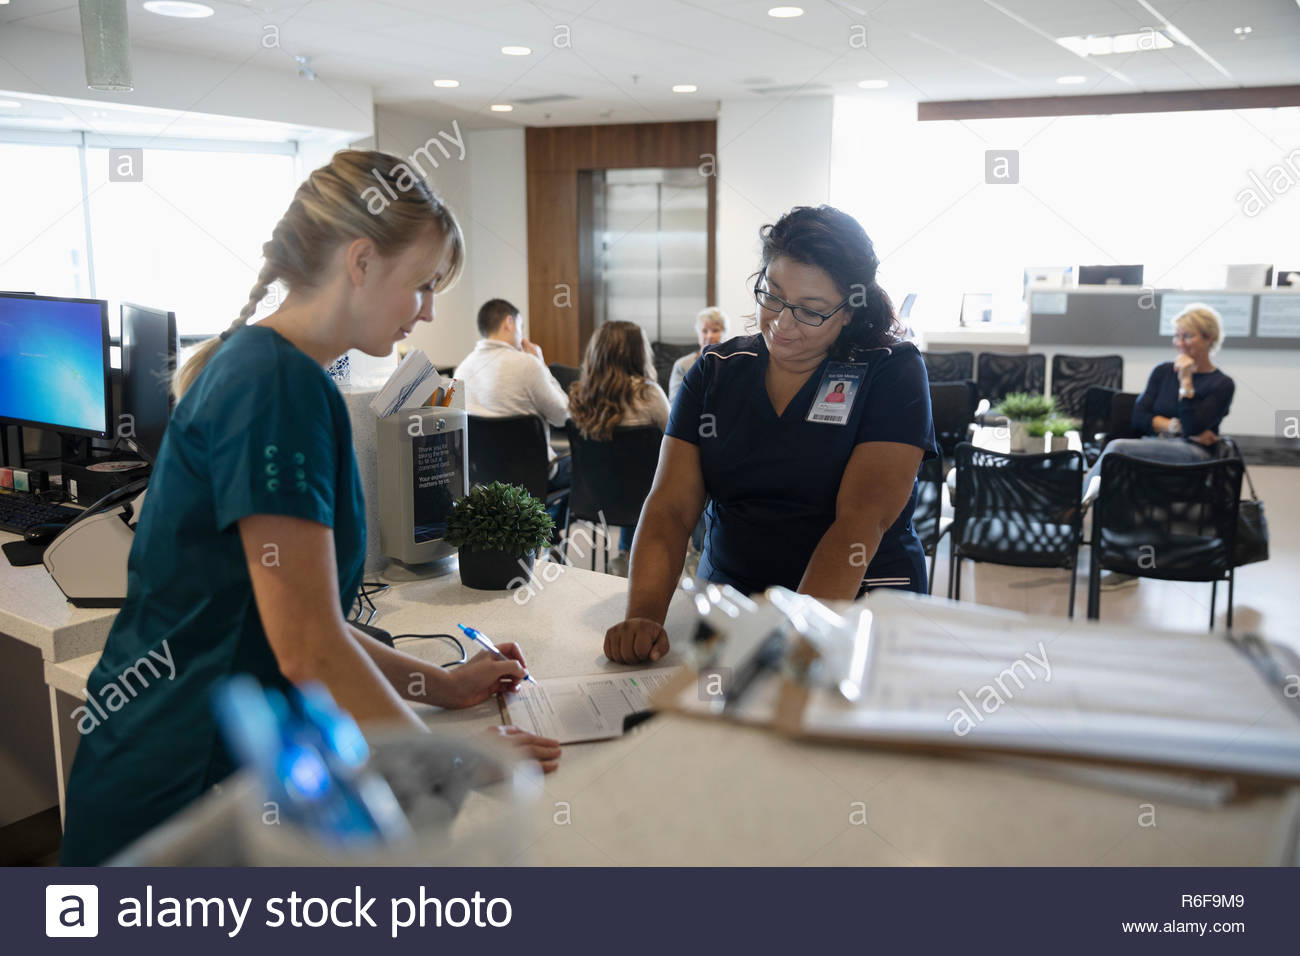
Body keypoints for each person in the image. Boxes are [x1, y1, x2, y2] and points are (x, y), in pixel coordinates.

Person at [59, 151, 560, 865]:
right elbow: (309, 651)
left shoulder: (267, 367)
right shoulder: (276, 384)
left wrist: (444, 687)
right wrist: (449, 764)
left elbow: (309, 628)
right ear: (360, 261)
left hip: (203, 759)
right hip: (183, 781)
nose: (428, 311)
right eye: (420, 286)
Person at [604, 205, 937, 664]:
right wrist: (644, 615)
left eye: (811, 311)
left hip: (855, 607)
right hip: (733, 601)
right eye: (773, 296)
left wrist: (791, 634)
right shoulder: (716, 372)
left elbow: (862, 520)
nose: (782, 322)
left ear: (849, 311)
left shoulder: (889, 370)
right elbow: (671, 508)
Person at [1088, 303, 1235, 591]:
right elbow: (1140, 416)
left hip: (1195, 457)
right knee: (1123, 473)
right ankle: (1123, 563)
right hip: (1153, 447)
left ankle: (1078, 501)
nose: (1180, 343)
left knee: (1117, 449)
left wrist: (1186, 382)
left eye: (1188, 337)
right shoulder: (1161, 372)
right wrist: (1175, 427)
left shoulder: (1222, 384)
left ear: (1208, 339)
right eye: (1177, 336)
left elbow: (1195, 427)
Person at [567, 321, 670, 572]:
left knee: (627, 477)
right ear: (639, 353)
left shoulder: (581, 394)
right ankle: (689, 553)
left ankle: (624, 556)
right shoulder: (650, 394)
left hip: (594, 499)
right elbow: (675, 437)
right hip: (644, 499)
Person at [453, 298, 572, 492]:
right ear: (509, 322)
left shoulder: (462, 371)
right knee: (583, 465)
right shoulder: (528, 364)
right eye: (521, 326)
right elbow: (563, 417)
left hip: (484, 479)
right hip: (535, 479)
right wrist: (541, 365)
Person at [667, 306, 728, 403]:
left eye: (715, 330)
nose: (709, 336)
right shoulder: (682, 365)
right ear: (698, 333)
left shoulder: (733, 363)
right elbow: (675, 403)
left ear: (724, 333)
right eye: (704, 331)